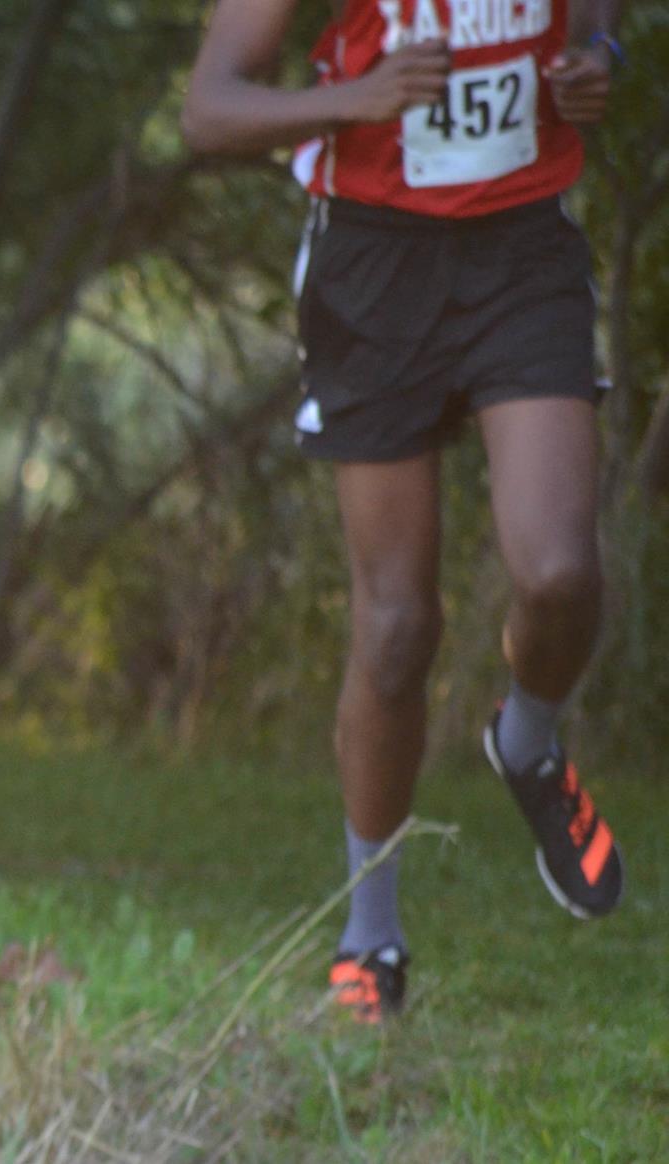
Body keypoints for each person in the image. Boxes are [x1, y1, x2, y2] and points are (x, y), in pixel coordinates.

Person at [182, 0, 626, 1022]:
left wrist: (594, 54)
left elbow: (594, 21)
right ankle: (367, 934)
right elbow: (208, 111)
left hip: (521, 253)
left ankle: (526, 741)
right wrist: (356, 98)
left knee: (558, 574)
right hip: (370, 269)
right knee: (395, 629)